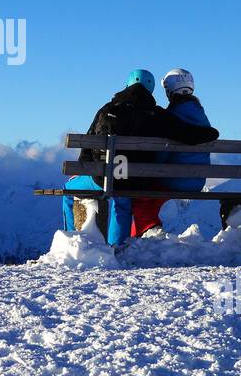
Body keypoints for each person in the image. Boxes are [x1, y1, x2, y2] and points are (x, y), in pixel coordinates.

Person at [62, 69, 218, 246]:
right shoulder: (158, 115)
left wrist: (84, 169)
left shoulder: (107, 110)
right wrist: (212, 133)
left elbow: (88, 144)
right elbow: (188, 134)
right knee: (123, 199)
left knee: (68, 190)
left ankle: (71, 245)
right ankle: (118, 248)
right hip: (136, 179)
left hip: (102, 177)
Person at [130, 68, 219, 237]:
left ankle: (140, 235)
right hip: (198, 181)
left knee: (141, 195)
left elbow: (163, 153)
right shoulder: (200, 113)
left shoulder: (171, 116)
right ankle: (149, 231)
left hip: (175, 180)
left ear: (170, 90)